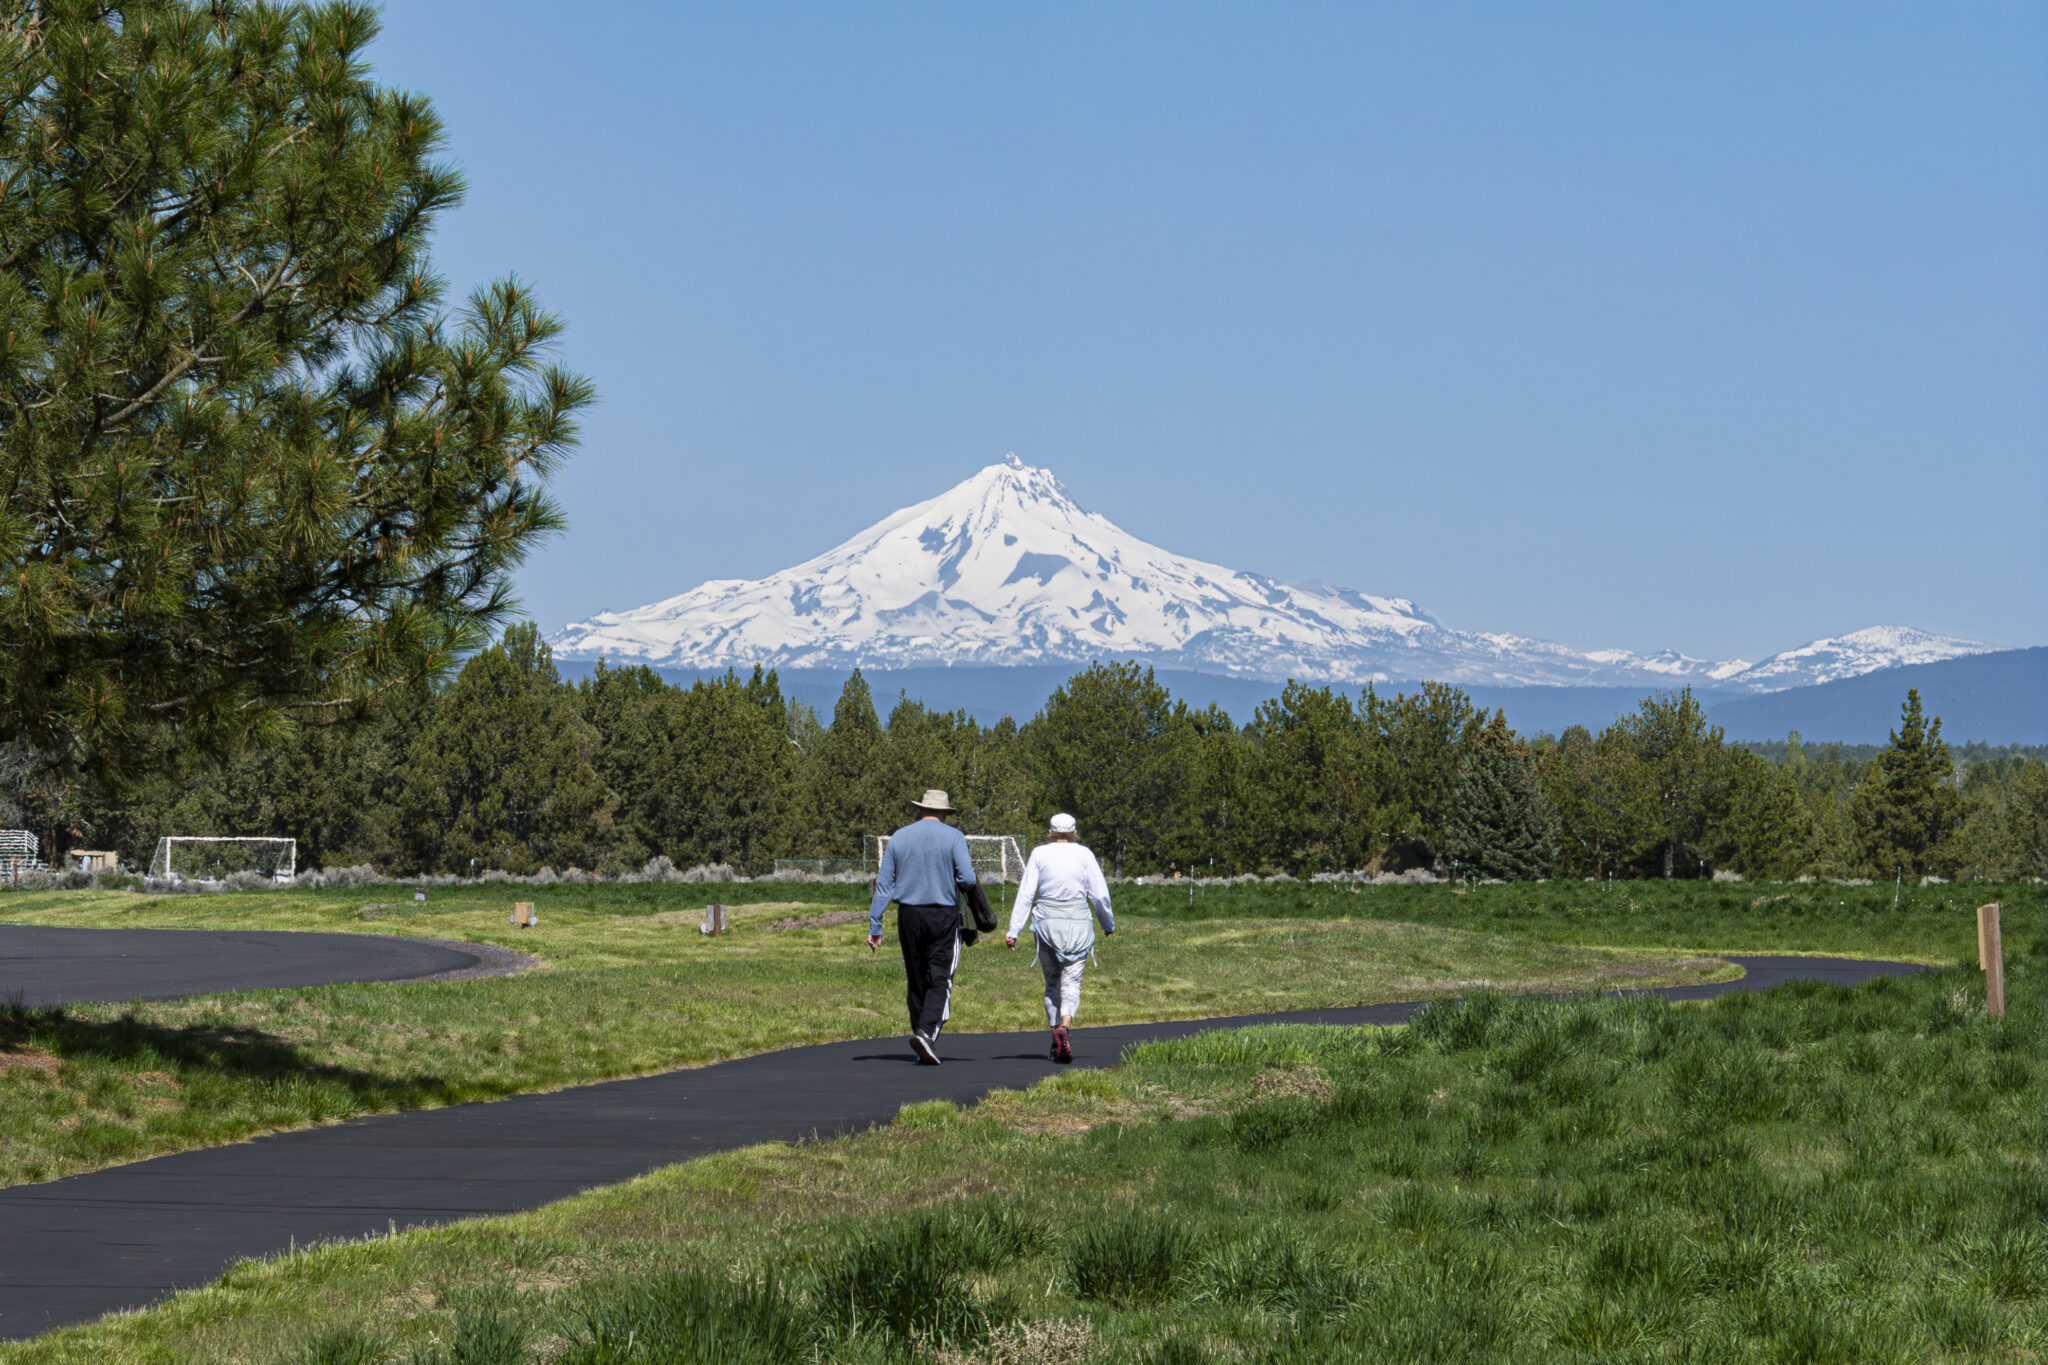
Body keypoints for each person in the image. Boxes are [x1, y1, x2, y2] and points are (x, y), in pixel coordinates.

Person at [868, 788, 978, 1065]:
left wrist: (875, 923)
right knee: (940, 976)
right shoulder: (954, 837)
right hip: (943, 914)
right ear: (944, 813)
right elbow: (967, 878)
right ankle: (926, 1033)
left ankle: (920, 1033)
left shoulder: (899, 837)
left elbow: (884, 885)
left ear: (920, 809)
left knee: (916, 977)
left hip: (909, 915)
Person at [1005, 813, 1113, 1064]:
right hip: (1077, 922)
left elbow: (1026, 893)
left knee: (1052, 982)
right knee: (1072, 981)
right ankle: (1066, 1025)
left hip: (1046, 923)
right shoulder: (1085, 854)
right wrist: (1107, 923)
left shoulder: (1039, 854)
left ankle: (1055, 1036)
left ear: (1050, 832)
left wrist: (1014, 931)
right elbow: (1099, 894)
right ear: (1075, 832)